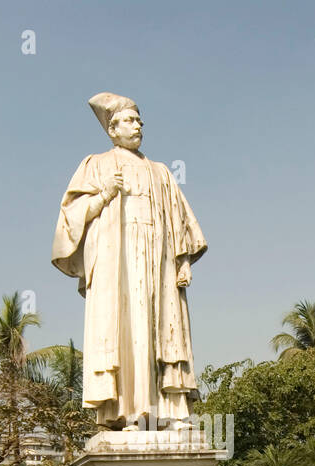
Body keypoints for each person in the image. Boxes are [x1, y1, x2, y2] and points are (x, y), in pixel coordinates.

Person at [52, 92, 207, 431]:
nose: (137, 126)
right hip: (117, 262)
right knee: (127, 332)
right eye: (129, 120)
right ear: (112, 129)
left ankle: (171, 413)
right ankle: (128, 412)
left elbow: (181, 222)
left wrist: (183, 261)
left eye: (139, 121)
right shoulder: (95, 165)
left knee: (166, 332)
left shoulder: (161, 172)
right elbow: (71, 217)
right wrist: (106, 192)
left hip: (159, 262)